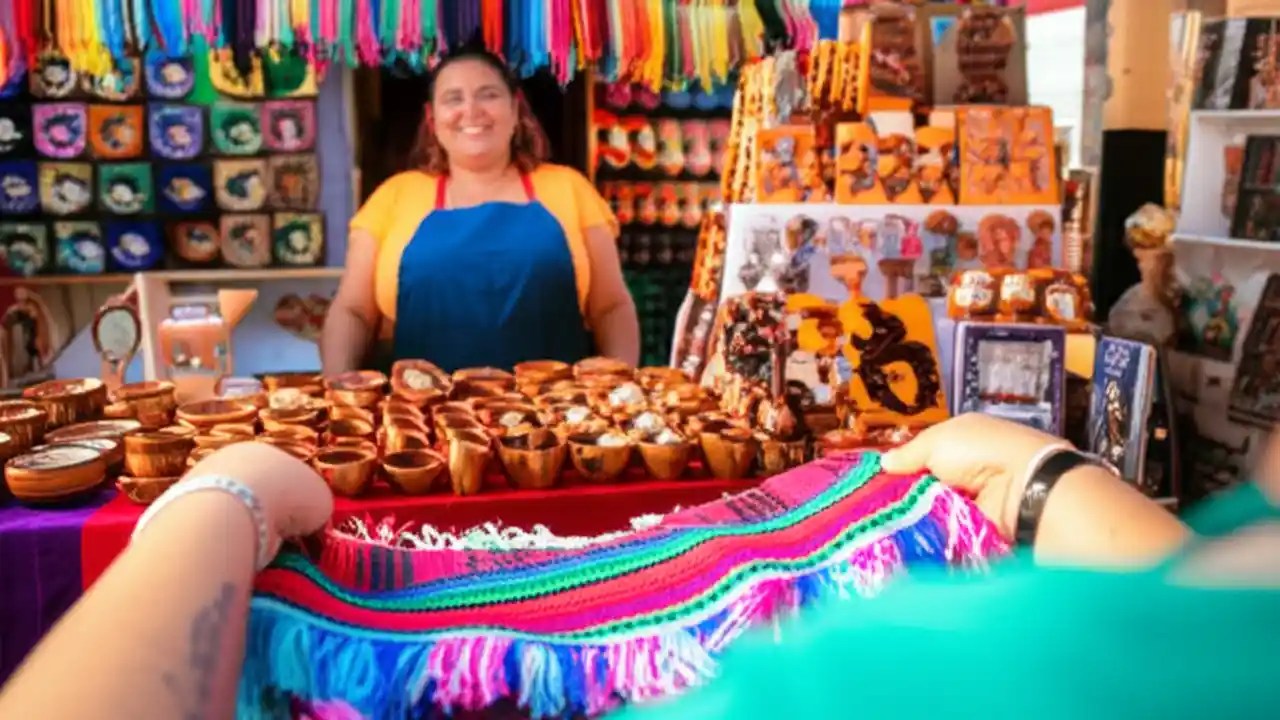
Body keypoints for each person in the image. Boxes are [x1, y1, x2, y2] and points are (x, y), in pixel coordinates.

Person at [2, 415, 1278, 719]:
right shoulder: (1214, 629)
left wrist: (222, 493)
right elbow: (1192, 604)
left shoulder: (849, 674)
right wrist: (1042, 470)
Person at [321, 48, 639, 374]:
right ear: (432, 119)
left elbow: (611, 306)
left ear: (515, 110)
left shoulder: (570, 189)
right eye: (453, 99)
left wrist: (620, 384)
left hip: (557, 414)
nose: (471, 111)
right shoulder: (393, 197)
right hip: (422, 416)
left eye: (488, 95)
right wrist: (338, 387)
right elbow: (353, 311)